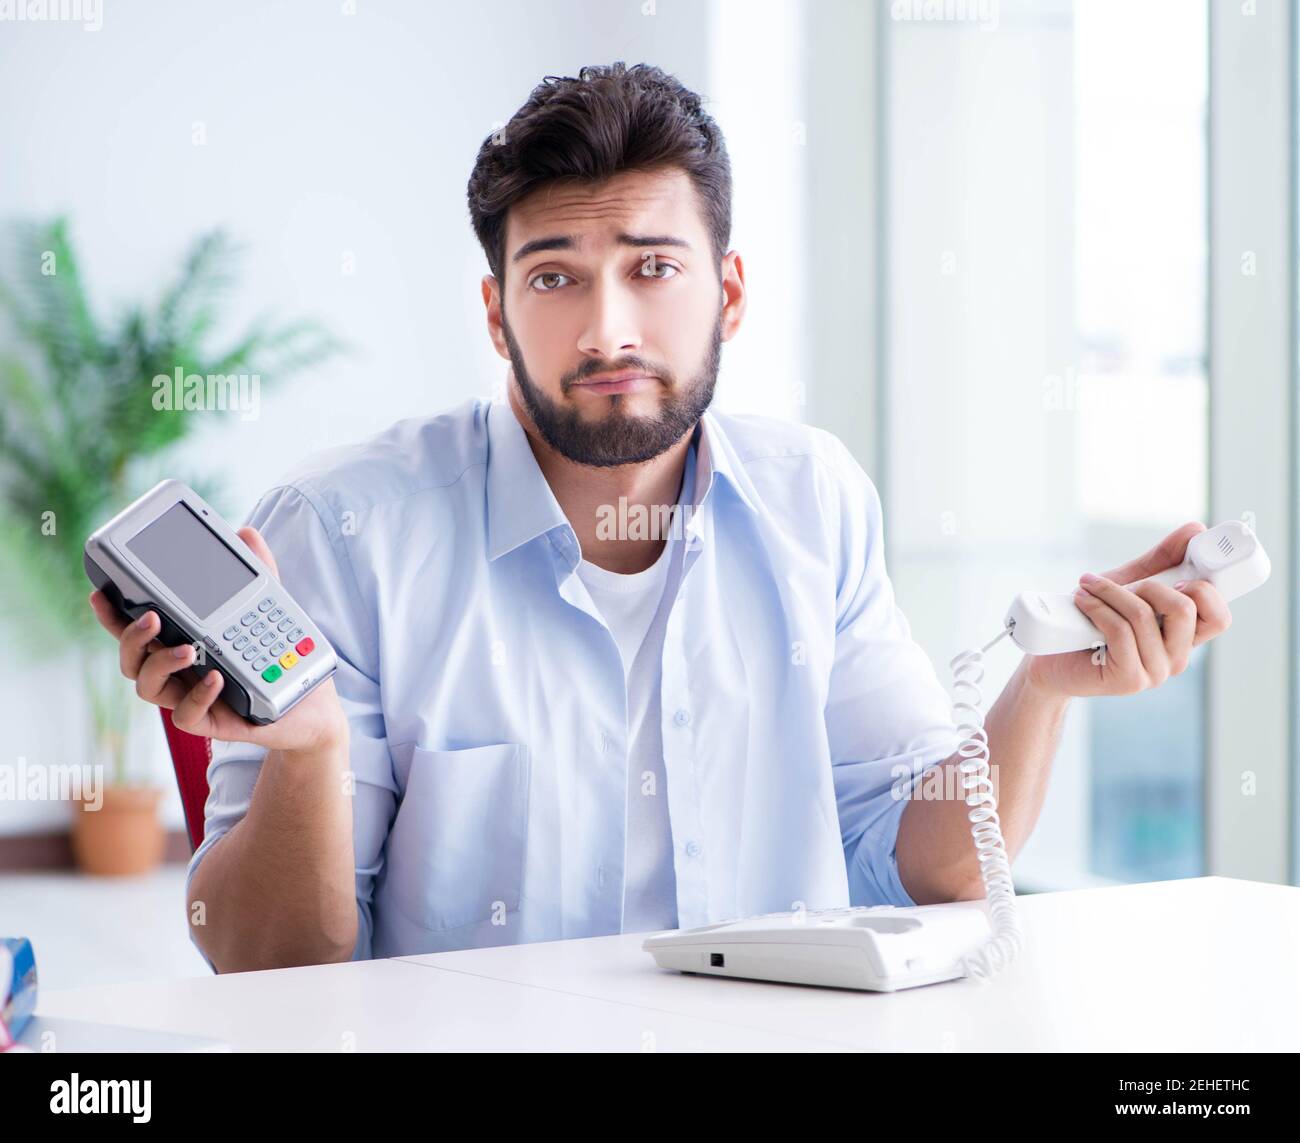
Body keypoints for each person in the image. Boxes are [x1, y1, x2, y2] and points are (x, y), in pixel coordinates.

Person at [90, 62, 1232, 974]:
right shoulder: (344, 530)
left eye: (652, 268)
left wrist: (1043, 687)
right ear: (495, 313)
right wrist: (312, 749)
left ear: (728, 291)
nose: (608, 329)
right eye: (554, 278)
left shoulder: (812, 498)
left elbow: (930, 863)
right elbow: (272, 967)